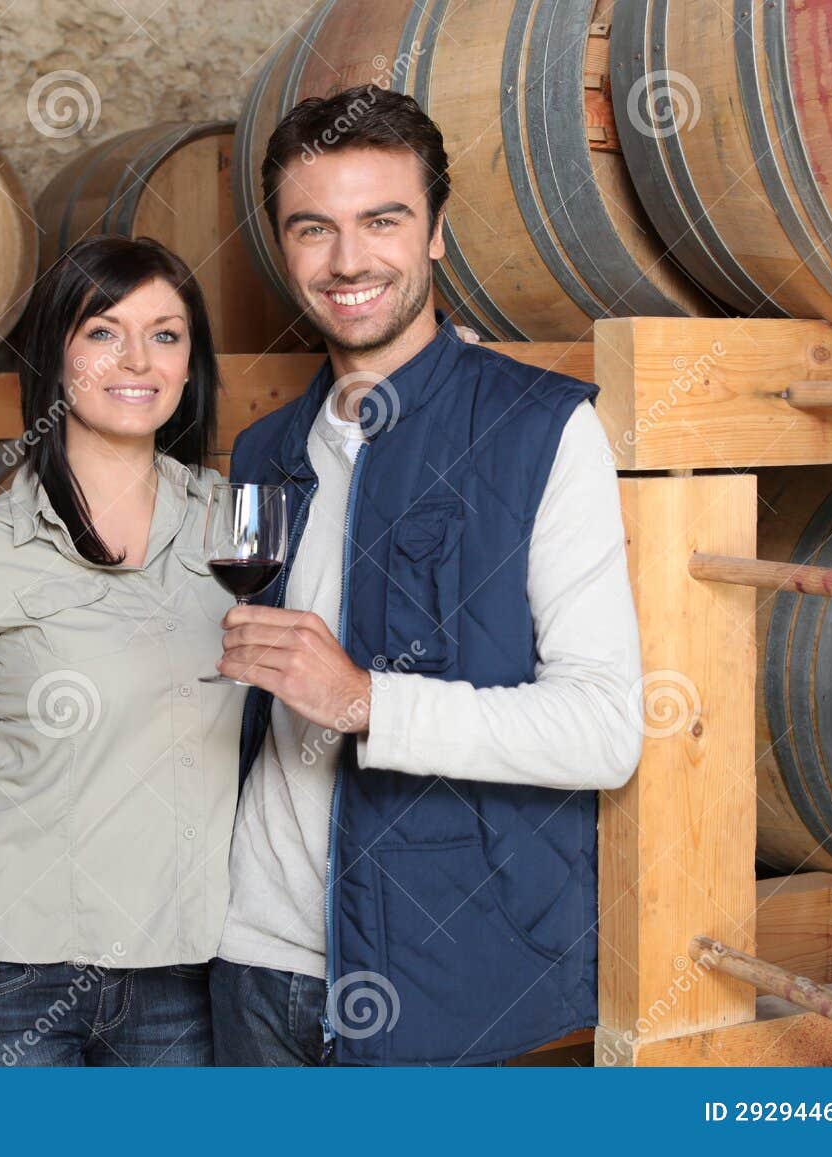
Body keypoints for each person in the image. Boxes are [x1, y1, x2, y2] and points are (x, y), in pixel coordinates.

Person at [210, 85, 645, 1066]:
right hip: (248, 968)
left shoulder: (542, 430)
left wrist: (366, 699)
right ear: (283, 247)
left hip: (444, 990)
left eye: (383, 220)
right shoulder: (262, 451)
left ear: (438, 232)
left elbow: (606, 728)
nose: (349, 259)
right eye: (312, 228)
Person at [0, 234, 243, 1066]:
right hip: (10, 977)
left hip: (186, 972)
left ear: (191, 366)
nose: (137, 357)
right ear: (54, 357)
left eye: (167, 333)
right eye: (104, 331)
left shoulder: (240, 529)